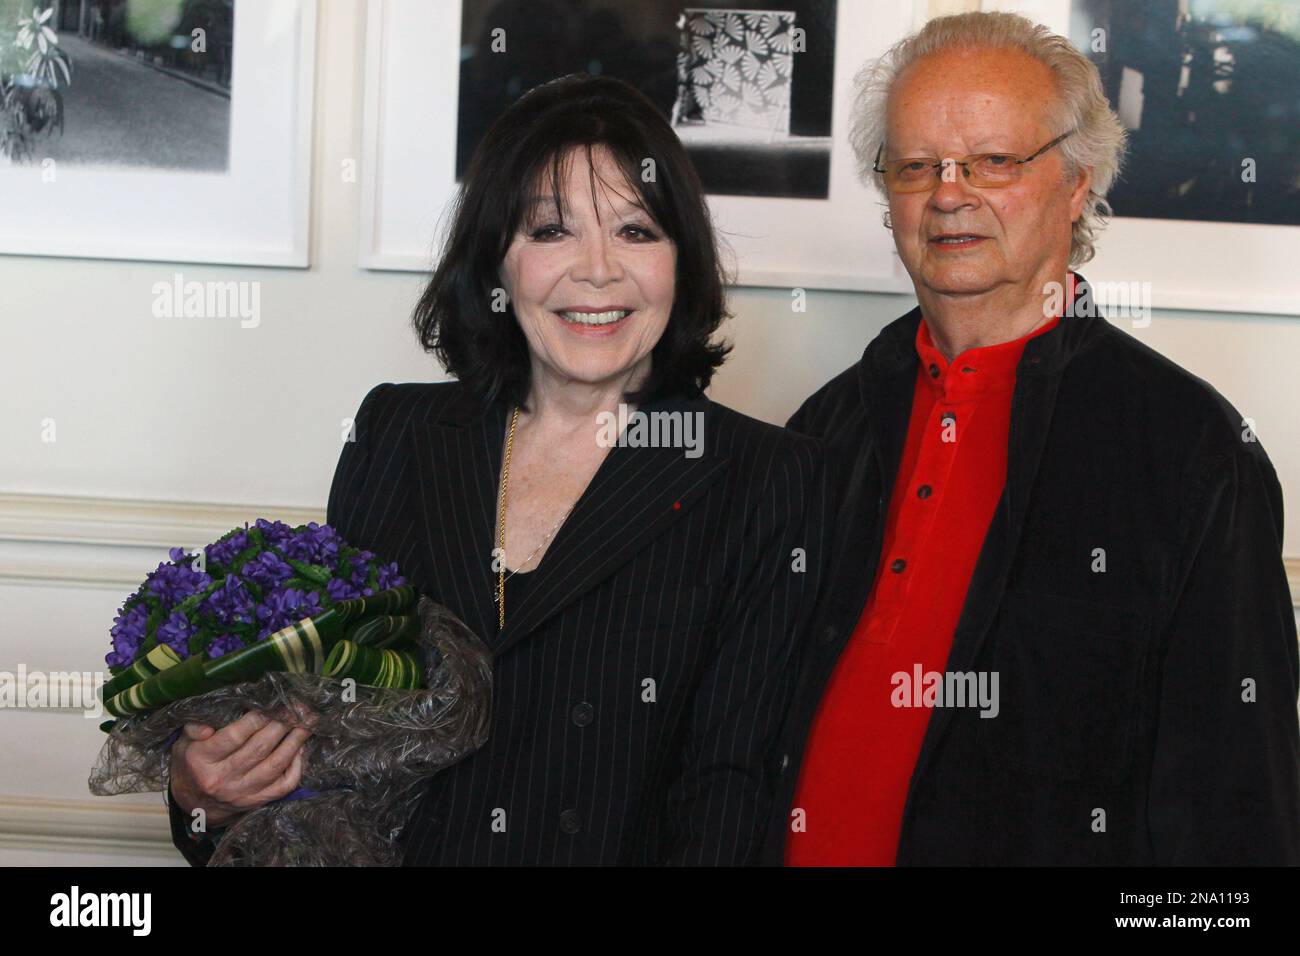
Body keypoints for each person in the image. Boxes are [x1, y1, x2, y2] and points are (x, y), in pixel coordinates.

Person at [165, 74, 824, 866]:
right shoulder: (398, 432)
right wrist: (200, 796)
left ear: (682, 262)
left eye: (638, 231)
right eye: (551, 232)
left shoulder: (767, 479)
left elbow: (729, 795)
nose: (598, 271)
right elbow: (315, 746)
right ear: (497, 263)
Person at [769, 11, 1300, 865]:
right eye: (916, 166)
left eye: (995, 162)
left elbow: (1235, 819)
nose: (949, 194)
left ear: (1079, 180)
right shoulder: (828, 424)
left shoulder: (1194, 453)